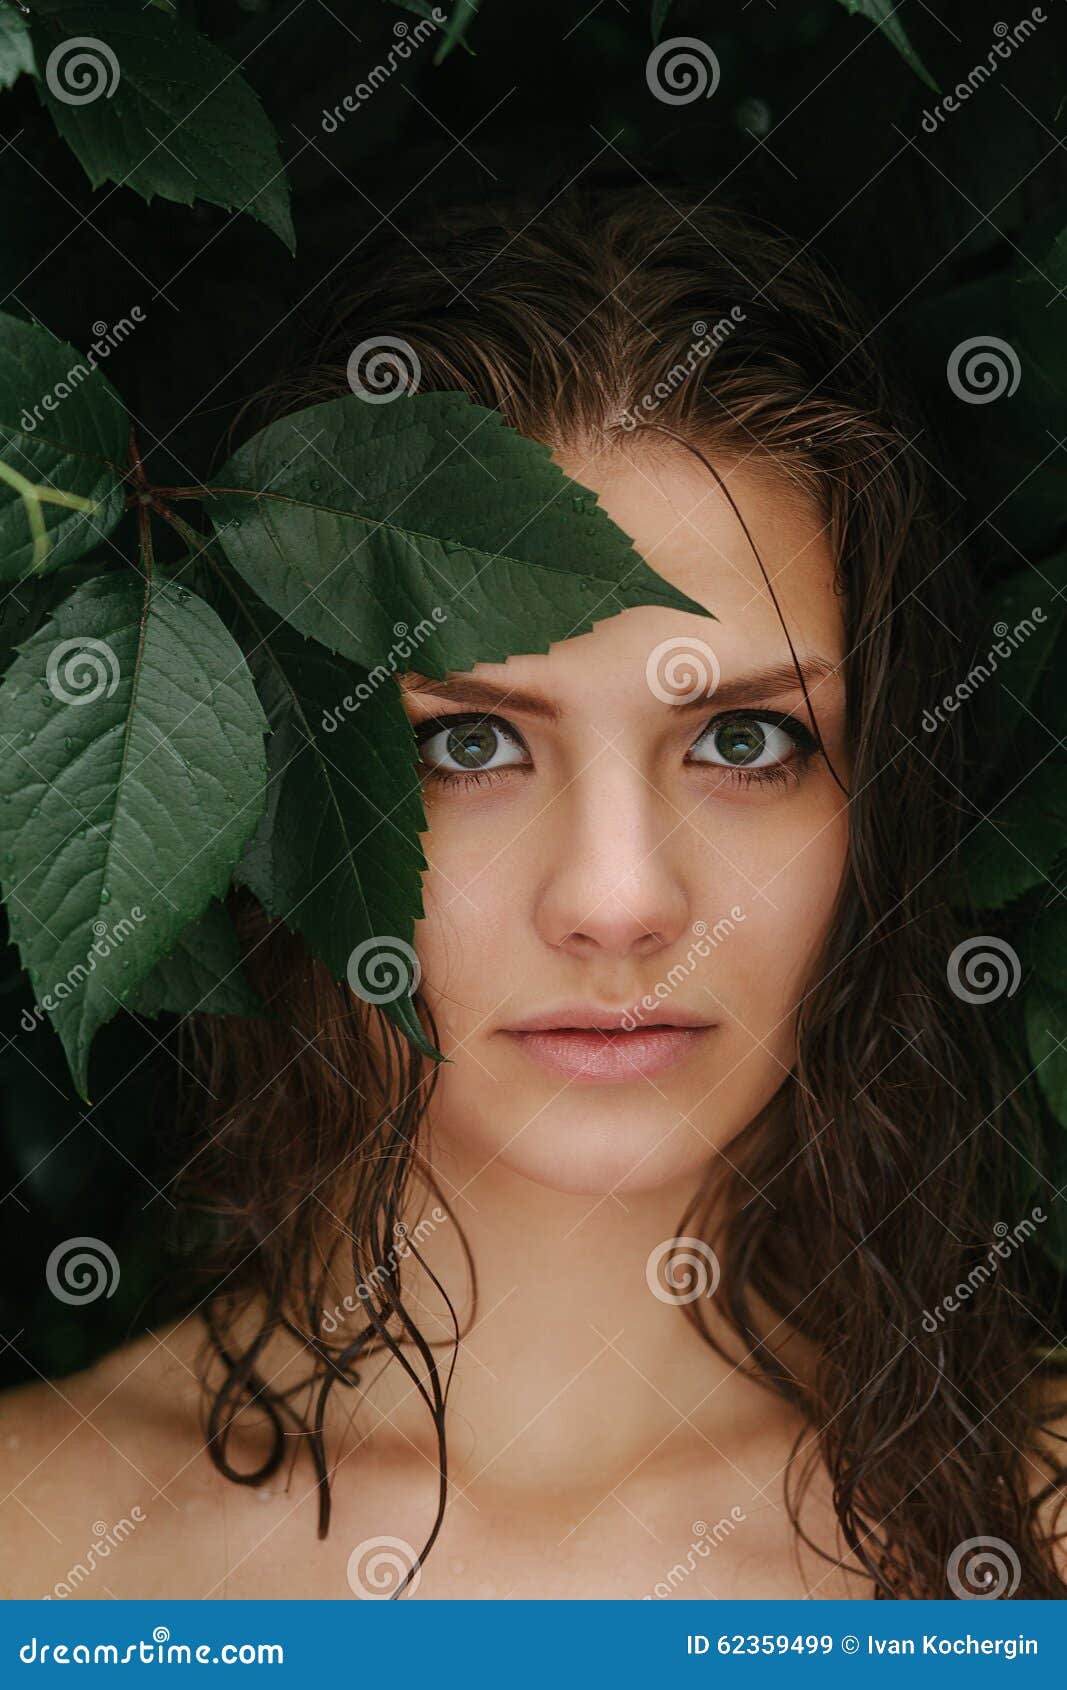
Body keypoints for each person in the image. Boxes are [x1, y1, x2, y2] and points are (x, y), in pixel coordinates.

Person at [2, 186, 1065, 1601]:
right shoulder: (36, 1547)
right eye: (468, 743)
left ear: (882, 805)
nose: (619, 901)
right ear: (268, 784)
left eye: (746, 741)